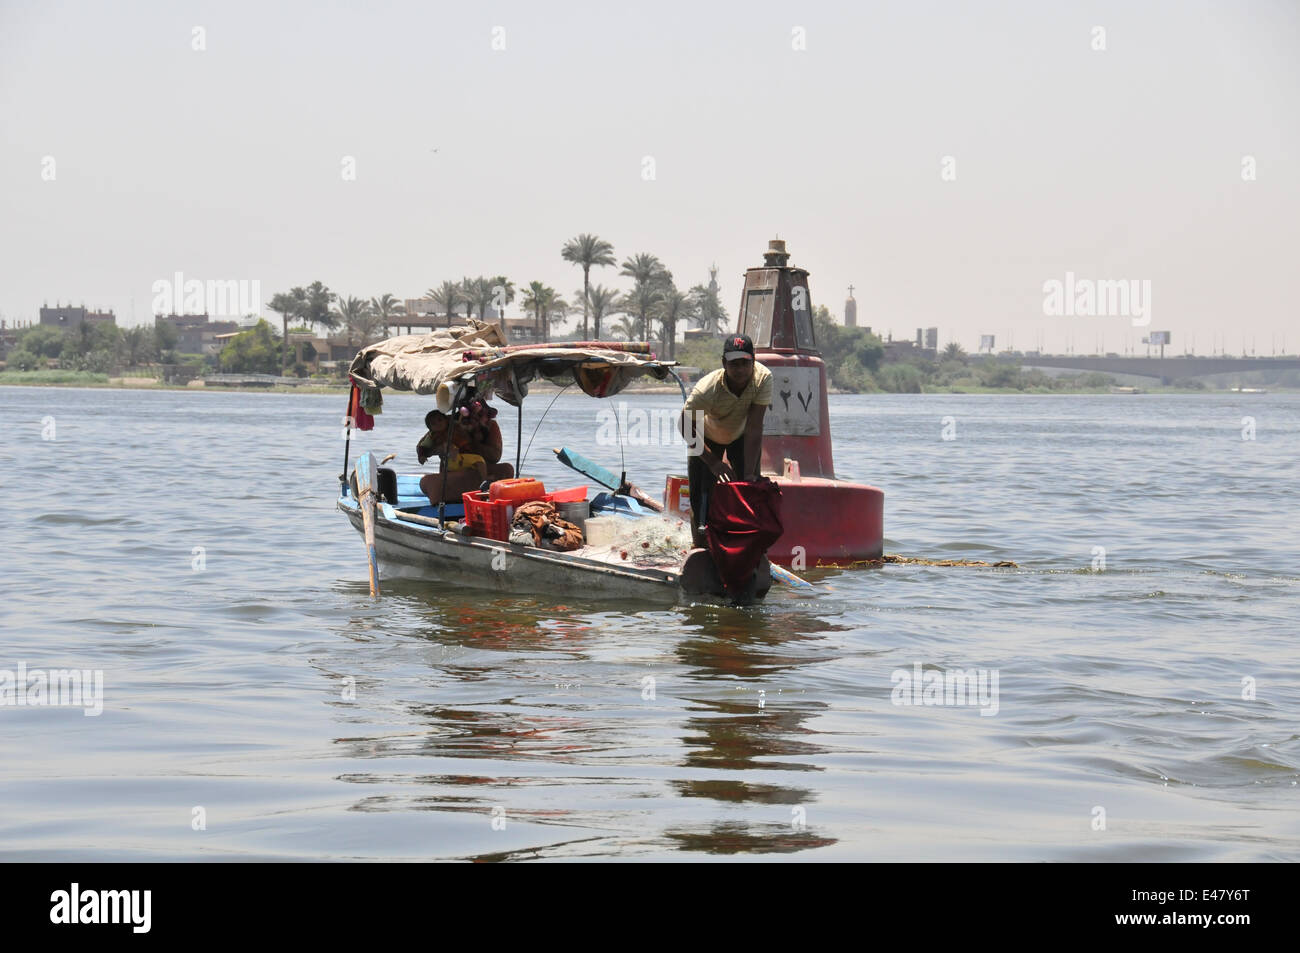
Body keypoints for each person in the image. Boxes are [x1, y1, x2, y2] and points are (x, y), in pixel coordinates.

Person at [679, 333, 772, 547]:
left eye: (744, 363)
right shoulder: (707, 390)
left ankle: (746, 548)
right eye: (734, 364)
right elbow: (684, 426)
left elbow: (755, 426)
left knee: (750, 490)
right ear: (724, 363)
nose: (739, 370)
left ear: (753, 361)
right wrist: (712, 462)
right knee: (701, 498)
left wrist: (749, 473)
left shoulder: (763, 379)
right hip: (706, 437)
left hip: (740, 436)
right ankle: (700, 548)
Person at [417, 411, 488, 504]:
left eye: (440, 420)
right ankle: (452, 456)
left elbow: (465, 424)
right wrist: (421, 456)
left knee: (480, 460)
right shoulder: (431, 436)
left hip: (462, 458)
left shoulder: (454, 426)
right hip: (450, 461)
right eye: (434, 423)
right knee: (448, 445)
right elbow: (422, 447)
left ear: (446, 420)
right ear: (430, 428)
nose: (438, 424)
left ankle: (484, 481)